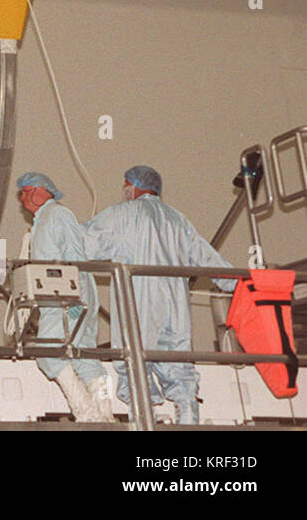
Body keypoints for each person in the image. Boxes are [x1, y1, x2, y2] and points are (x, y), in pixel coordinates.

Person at [81, 165, 237, 425]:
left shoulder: (122, 215)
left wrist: (50, 242)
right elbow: (208, 259)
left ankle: (144, 424)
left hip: (138, 306)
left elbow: (83, 243)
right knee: (179, 365)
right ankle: (188, 420)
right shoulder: (177, 219)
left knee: (134, 366)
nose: (124, 190)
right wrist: (242, 284)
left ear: (133, 185)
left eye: (125, 184)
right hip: (175, 309)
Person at [15, 172, 112, 422]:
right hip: (62, 297)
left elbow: (74, 255)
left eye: (26, 190)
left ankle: (88, 414)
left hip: (67, 298)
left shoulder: (57, 214)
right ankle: (105, 415)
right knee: (81, 353)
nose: (23, 197)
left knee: (50, 351)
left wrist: (74, 297)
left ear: (42, 191)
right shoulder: (43, 221)